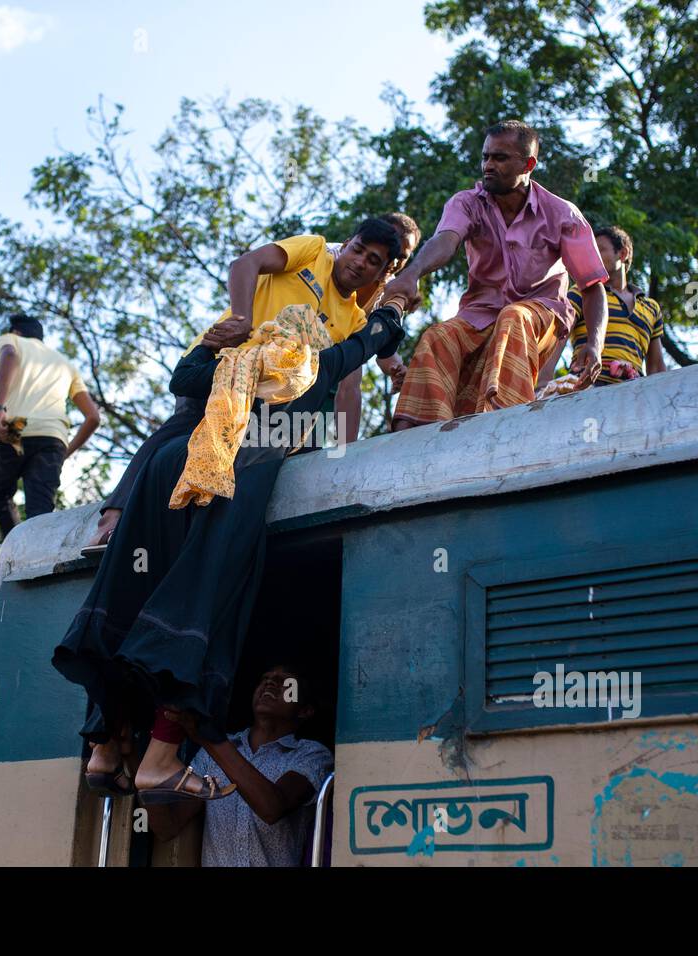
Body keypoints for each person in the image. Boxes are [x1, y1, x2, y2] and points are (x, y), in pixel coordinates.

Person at [52, 296, 407, 802]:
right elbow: (369, 341)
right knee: (202, 608)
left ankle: (106, 749)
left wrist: (214, 342)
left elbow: (184, 379)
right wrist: (392, 312)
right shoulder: (316, 363)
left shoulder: (239, 360)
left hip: (173, 466)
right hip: (233, 475)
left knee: (134, 597)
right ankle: (157, 760)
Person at [80, 218, 403, 555]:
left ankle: (177, 543)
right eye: (358, 250)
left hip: (259, 401)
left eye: (373, 261)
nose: (360, 262)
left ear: (381, 274)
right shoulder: (313, 251)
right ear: (347, 243)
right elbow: (245, 263)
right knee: (183, 429)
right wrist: (241, 320)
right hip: (222, 362)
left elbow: (346, 366)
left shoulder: (354, 319)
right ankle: (110, 522)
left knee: (220, 469)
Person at [384, 120, 611, 430]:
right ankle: (416, 438)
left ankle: (507, 427)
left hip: (542, 316)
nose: (488, 165)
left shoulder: (562, 214)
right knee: (437, 337)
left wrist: (594, 345)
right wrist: (413, 273)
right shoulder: (467, 203)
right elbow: (445, 241)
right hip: (480, 315)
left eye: (500, 158)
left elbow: (592, 286)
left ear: (528, 163)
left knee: (513, 317)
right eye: (486, 157)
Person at [146, 663, 333, 867]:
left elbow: (272, 808)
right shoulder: (210, 755)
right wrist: (147, 771)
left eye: (286, 682)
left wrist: (210, 739)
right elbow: (168, 827)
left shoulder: (311, 754)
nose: (270, 682)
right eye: (265, 678)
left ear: (305, 710)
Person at [0, 313, 100, 539]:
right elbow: (93, 417)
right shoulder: (66, 364)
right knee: (41, 512)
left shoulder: (12, 340)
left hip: (13, 424)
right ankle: (35, 554)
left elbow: (8, 354)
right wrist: (65, 451)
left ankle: (14, 546)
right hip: (54, 435)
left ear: (16, 331)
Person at [329, 212, 422, 443]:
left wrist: (396, 369)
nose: (395, 261)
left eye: (402, 256)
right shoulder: (332, 257)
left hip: (336, 353)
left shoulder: (387, 290)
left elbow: (378, 346)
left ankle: (345, 448)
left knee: (353, 367)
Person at [562, 226, 666, 385]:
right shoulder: (582, 292)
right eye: (592, 250)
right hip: (585, 386)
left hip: (634, 394)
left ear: (622, 254)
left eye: (600, 249)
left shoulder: (651, 308)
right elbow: (558, 336)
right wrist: (543, 381)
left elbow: (657, 367)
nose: (593, 256)